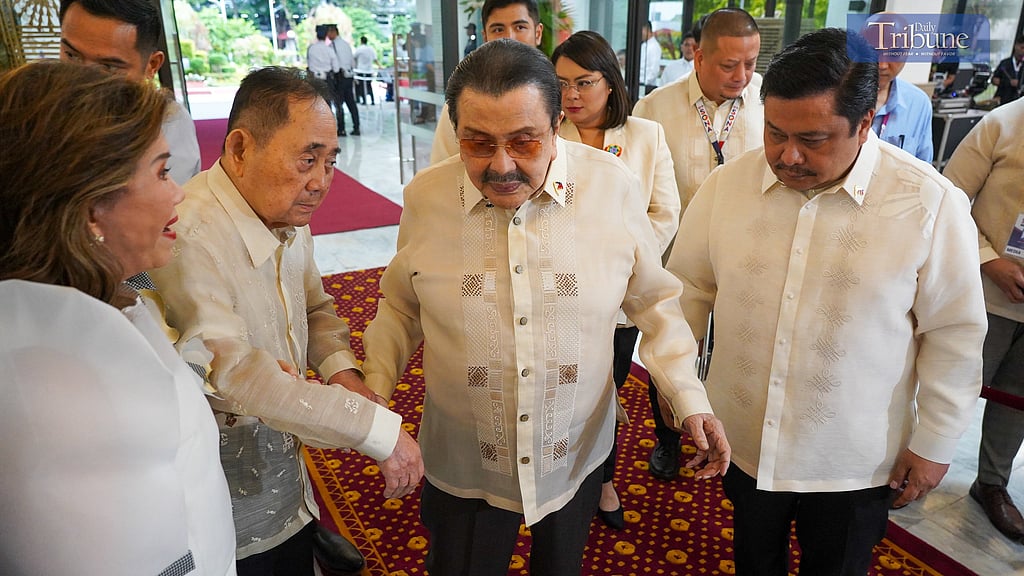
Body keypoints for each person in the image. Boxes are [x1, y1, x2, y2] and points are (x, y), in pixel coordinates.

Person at [361, 39, 729, 576]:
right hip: (467, 454)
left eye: (525, 141)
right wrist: (375, 393)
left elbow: (655, 304)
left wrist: (689, 397)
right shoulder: (426, 197)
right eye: (478, 144)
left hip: (572, 449)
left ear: (558, 121)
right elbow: (398, 308)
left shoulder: (612, 188)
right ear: (454, 129)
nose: (502, 165)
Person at [666, 27, 987, 574]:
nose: (787, 156)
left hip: (853, 462)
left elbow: (953, 332)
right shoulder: (729, 187)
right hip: (743, 440)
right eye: (774, 133)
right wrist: (682, 391)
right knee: (752, 560)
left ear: (865, 124)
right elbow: (684, 294)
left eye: (813, 139)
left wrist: (935, 442)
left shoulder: (927, 203)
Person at [149, 67, 424, 576]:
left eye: (329, 160)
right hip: (227, 488)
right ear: (239, 148)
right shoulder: (189, 236)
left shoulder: (283, 213)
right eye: (306, 159)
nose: (320, 182)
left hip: (287, 463)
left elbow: (315, 308)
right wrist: (379, 432)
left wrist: (345, 376)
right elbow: (236, 372)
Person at [0, 61, 235, 576]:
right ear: (90, 208)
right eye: (161, 172)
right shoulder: (58, 389)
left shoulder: (106, 293)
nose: (179, 192)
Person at [551, 30, 680, 530]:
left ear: (610, 83)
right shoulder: (546, 134)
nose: (571, 96)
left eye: (584, 82)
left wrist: (623, 256)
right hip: (560, 289)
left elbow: (664, 211)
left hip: (622, 295)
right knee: (565, 388)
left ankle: (603, 480)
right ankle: (556, 472)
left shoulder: (645, 136)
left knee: (607, 394)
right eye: (560, 83)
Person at [633, 7, 764, 482]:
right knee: (671, 346)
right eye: (729, 65)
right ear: (698, 56)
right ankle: (667, 440)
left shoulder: (767, 102)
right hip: (673, 259)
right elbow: (639, 191)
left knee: (732, 348)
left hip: (744, 257)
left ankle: (726, 434)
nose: (742, 76)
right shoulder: (656, 109)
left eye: (750, 64)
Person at [942, 97, 1024, 544]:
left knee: (1016, 399)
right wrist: (988, 260)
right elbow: (949, 197)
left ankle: (992, 483)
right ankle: (909, 471)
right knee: (952, 387)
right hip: (985, 294)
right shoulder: (1003, 123)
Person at [59, 0, 201, 187]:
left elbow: (160, 208)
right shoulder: (34, 109)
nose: (82, 80)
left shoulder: (165, 122)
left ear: (152, 66)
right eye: (72, 56)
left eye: (108, 67)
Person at [429, 0, 543, 164]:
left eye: (520, 27)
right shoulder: (464, 101)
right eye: (498, 29)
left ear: (537, 33)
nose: (509, 38)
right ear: (485, 37)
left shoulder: (561, 93)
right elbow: (441, 169)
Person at [861, 13, 933, 162]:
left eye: (894, 53)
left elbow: (923, 169)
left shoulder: (918, 104)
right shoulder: (834, 94)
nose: (882, 64)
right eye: (874, 51)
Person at [327, 24, 360, 136]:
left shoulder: (332, 46)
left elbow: (334, 65)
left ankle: (341, 129)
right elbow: (352, 61)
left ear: (333, 32)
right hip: (349, 76)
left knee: (338, 104)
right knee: (351, 103)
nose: (327, 35)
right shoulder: (346, 44)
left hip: (340, 77)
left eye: (329, 33)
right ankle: (357, 127)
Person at [992, 35, 1024, 106]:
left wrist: (1019, 84)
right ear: (1016, 46)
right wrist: (1005, 82)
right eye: (1022, 48)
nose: (1023, 51)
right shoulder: (1005, 63)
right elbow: (994, 79)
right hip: (1004, 100)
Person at [354, 35, 378, 105]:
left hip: (360, 70)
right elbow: (375, 59)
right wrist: (380, 66)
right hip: (369, 70)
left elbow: (354, 58)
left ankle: (364, 100)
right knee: (369, 85)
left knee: (361, 86)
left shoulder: (359, 49)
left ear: (361, 41)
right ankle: (372, 100)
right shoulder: (371, 49)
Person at [640, 20, 662, 95]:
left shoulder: (654, 47)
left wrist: (644, 83)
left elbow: (654, 71)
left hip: (646, 87)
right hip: (640, 85)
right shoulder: (644, 45)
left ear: (647, 30)